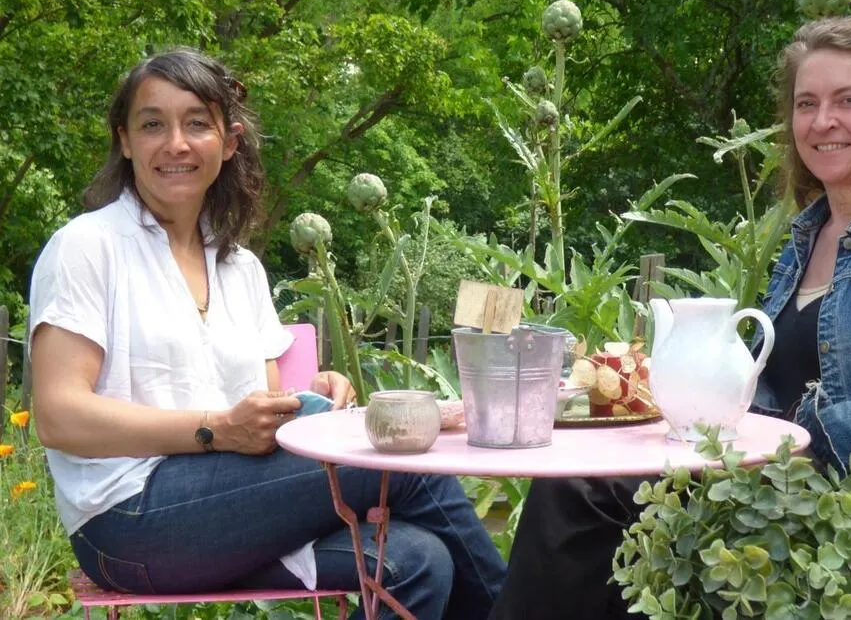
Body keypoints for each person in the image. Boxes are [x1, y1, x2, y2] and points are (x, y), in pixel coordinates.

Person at [488, 14, 851, 619]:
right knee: (578, 492)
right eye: (806, 103)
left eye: (849, 100)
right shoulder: (807, 236)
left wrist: (793, 437)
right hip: (792, 496)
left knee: (688, 569)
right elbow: (762, 395)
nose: (823, 121)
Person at [28, 48, 506, 620]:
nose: (175, 143)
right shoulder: (87, 247)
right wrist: (218, 429)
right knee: (392, 457)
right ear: (125, 141)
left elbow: (263, 403)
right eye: (152, 125)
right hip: (125, 519)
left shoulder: (240, 266)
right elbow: (59, 417)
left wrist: (310, 395)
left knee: (418, 560)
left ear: (228, 142)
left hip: (225, 505)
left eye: (197, 124)